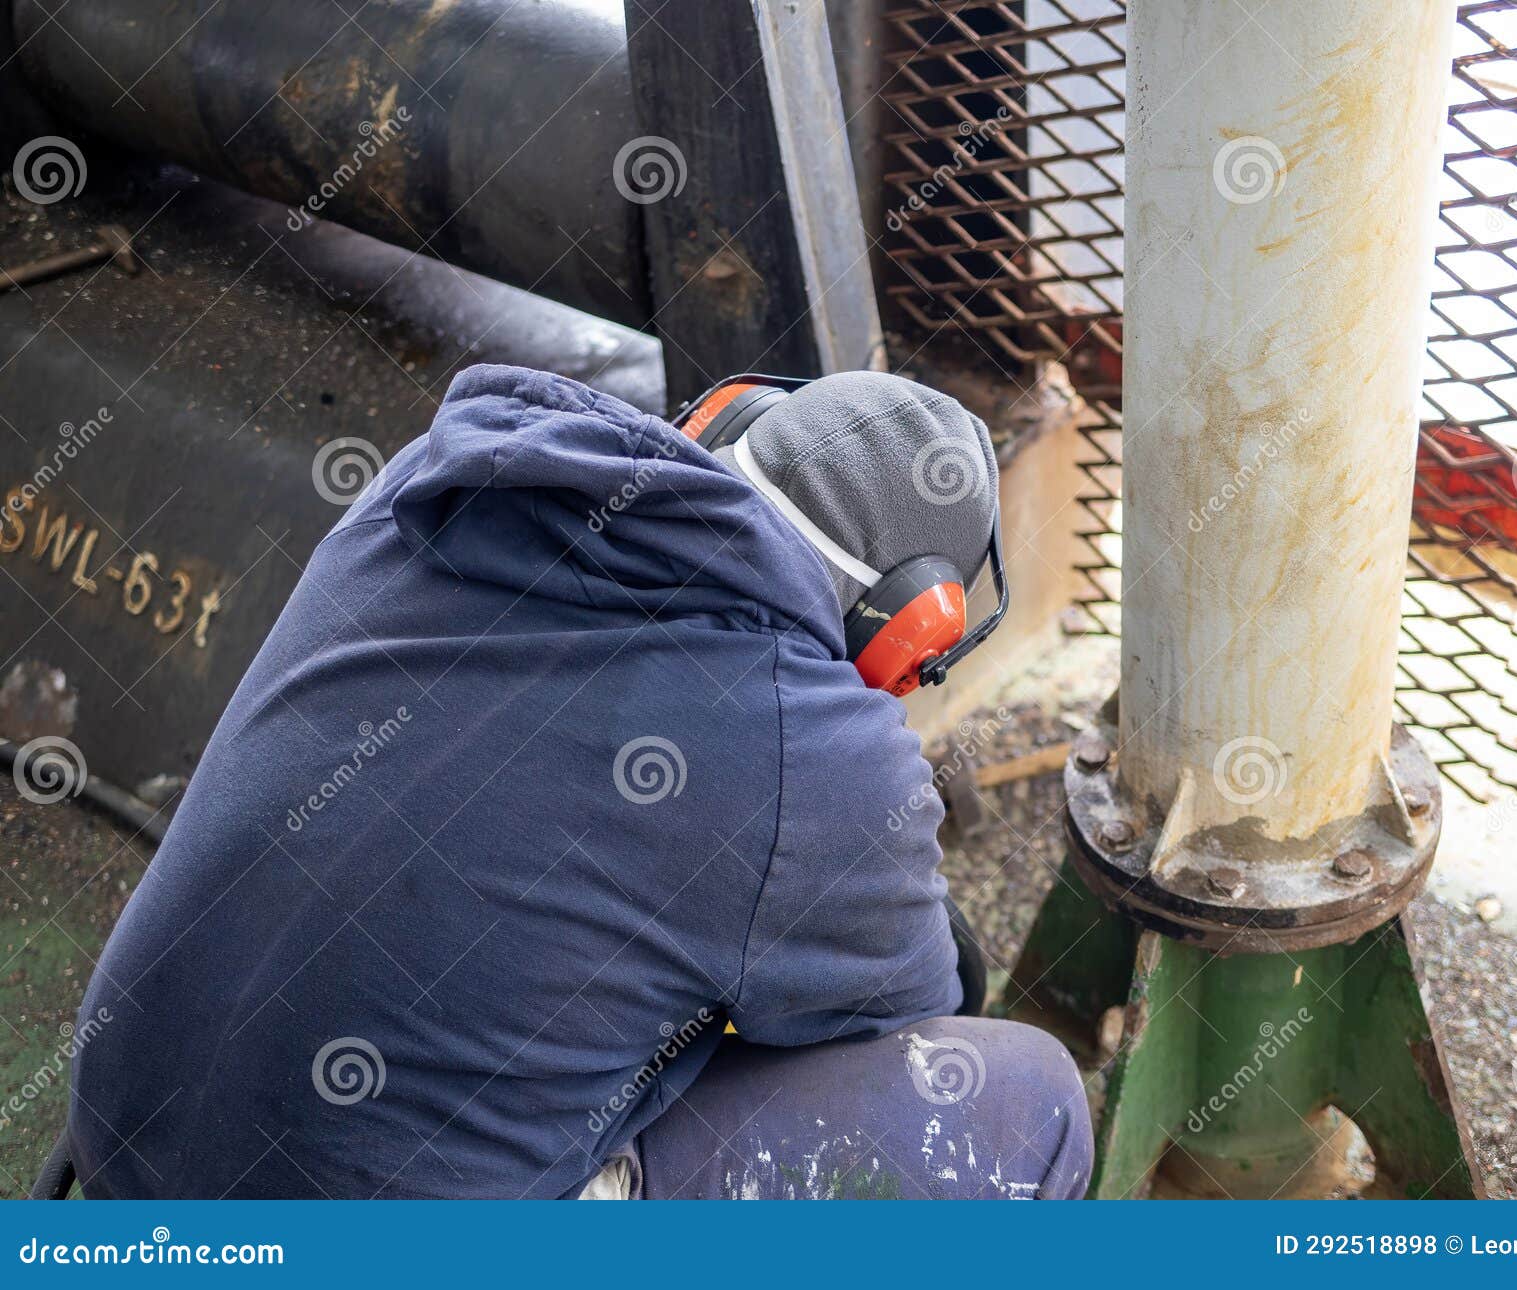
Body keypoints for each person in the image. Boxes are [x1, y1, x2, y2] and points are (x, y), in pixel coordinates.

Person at [66, 365, 1092, 1199]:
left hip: (120, 1137)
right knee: (1028, 1102)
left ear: (718, 426)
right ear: (909, 630)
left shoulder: (436, 481)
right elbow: (911, 1009)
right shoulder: (815, 752)